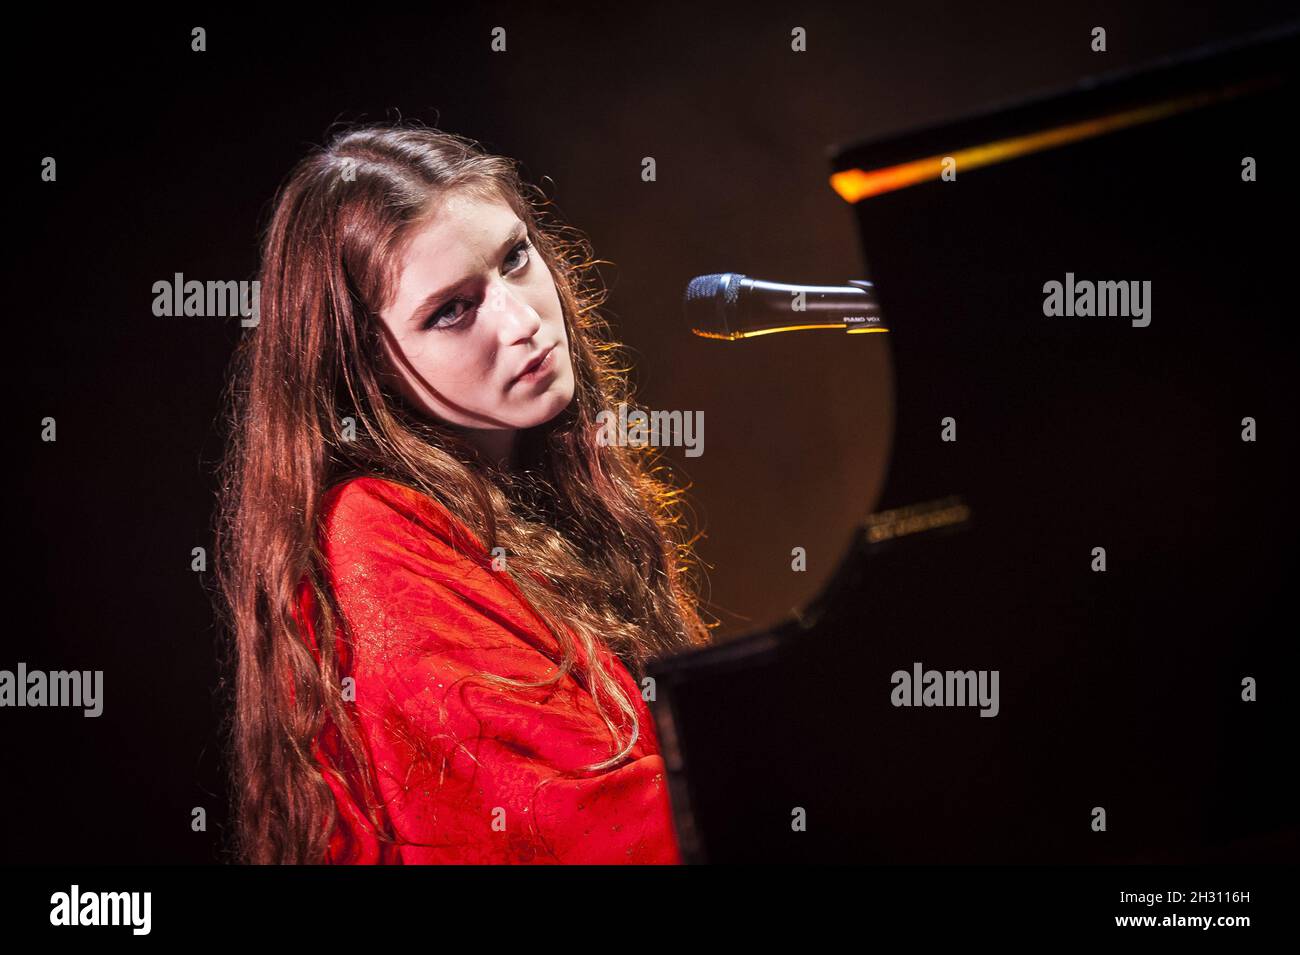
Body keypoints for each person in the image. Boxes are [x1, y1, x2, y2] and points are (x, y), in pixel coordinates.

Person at [214, 124, 714, 864]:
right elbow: (577, 823)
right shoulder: (370, 532)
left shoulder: (544, 477)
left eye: (515, 258)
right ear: (366, 368)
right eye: (451, 310)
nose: (522, 321)